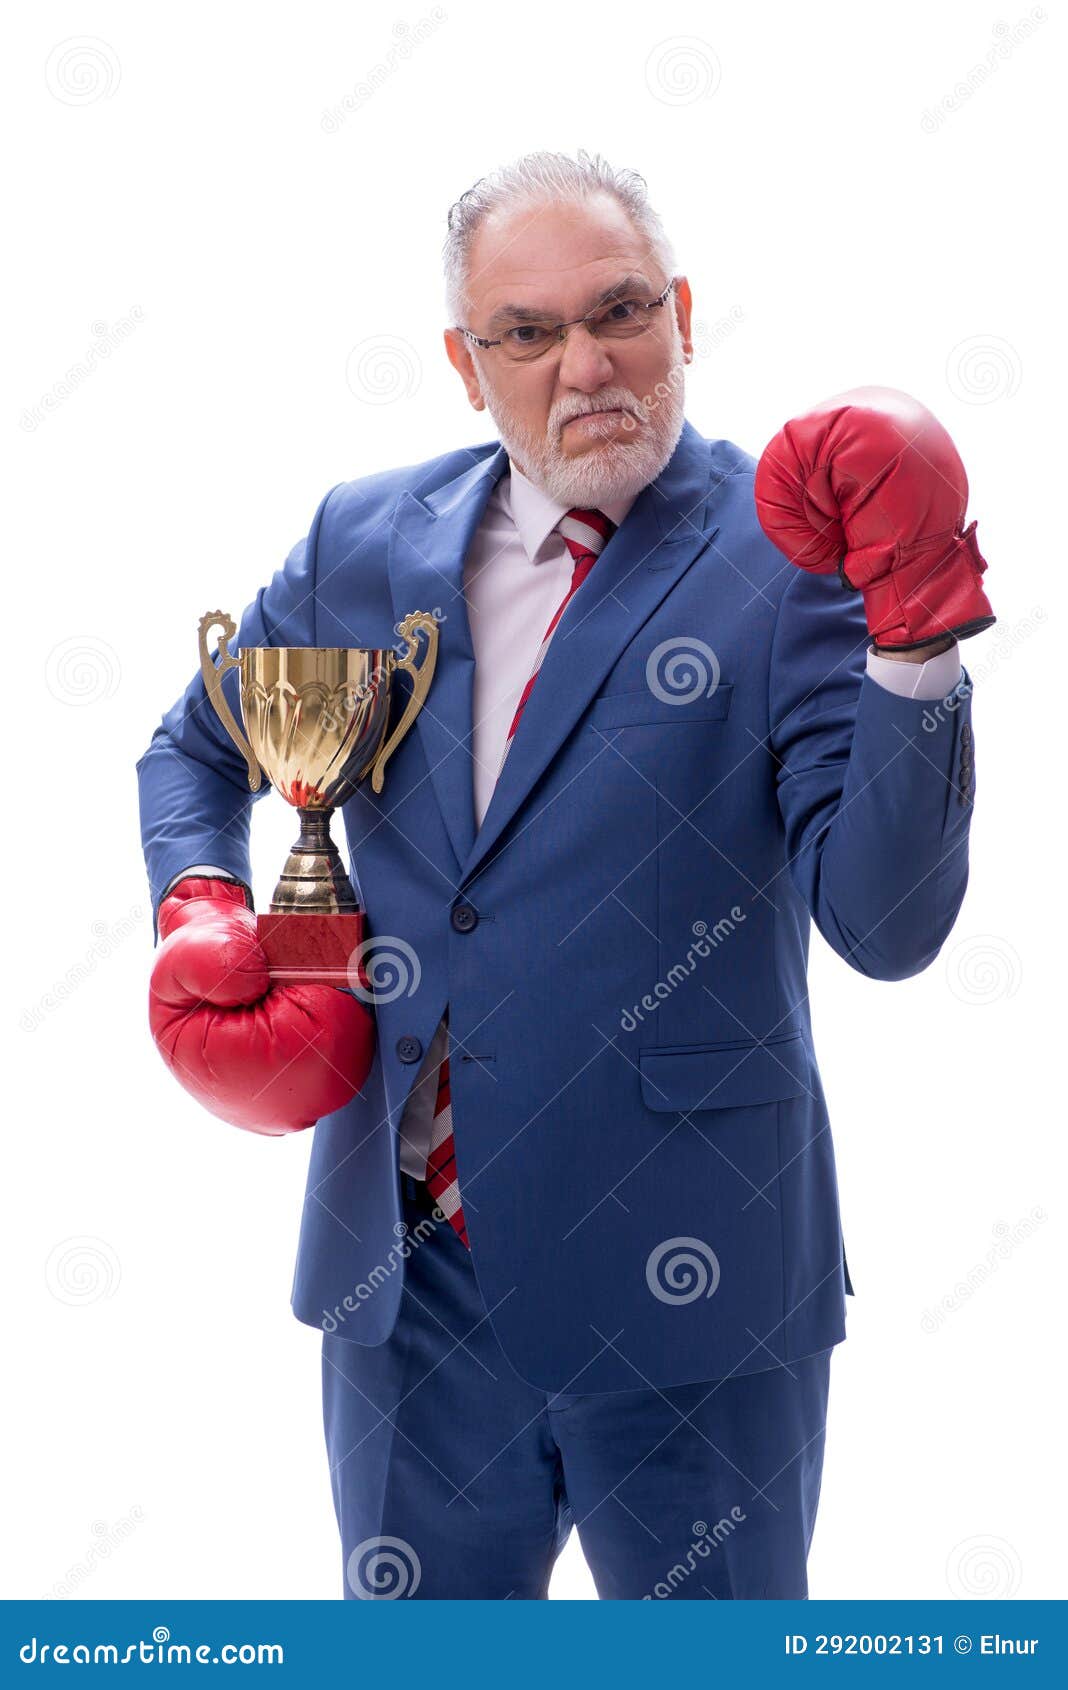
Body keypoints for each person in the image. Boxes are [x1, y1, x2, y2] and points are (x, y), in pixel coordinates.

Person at [137, 149, 992, 1600]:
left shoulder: (793, 557)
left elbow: (889, 924)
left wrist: (916, 642)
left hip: (693, 1284)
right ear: (469, 366)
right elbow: (194, 748)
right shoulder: (364, 540)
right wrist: (203, 903)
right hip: (406, 1282)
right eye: (528, 334)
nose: (586, 363)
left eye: (620, 312)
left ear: (686, 315)